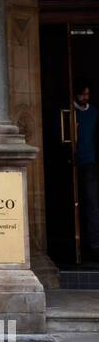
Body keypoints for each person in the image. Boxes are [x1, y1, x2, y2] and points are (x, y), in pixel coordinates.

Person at [74, 81, 99, 259]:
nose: (85, 97)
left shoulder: (94, 113)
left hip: (90, 162)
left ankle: (94, 242)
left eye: (87, 94)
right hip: (74, 161)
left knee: (92, 202)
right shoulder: (69, 112)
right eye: (82, 94)